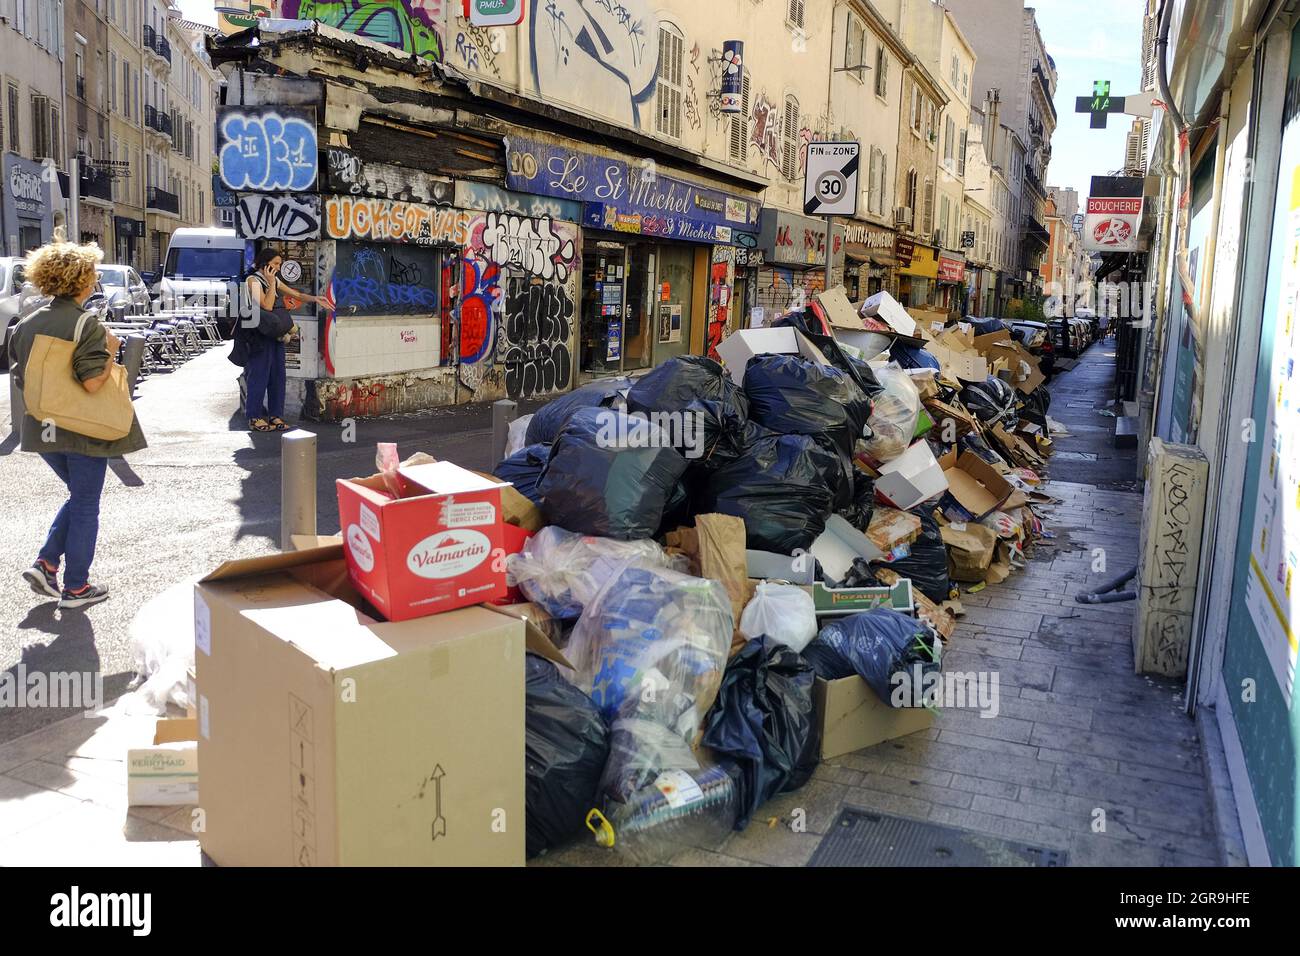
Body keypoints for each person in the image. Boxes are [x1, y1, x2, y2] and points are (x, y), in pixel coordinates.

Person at [7, 239, 147, 609]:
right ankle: (76, 587)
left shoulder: (27, 323)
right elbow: (92, 381)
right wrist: (112, 349)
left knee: (78, 497)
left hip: (42, 427)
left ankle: (47, 563)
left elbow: (21, 378)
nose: (97, 279)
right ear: (81, 280)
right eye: (94, 274)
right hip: (83, 426)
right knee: (86, 503)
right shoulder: (86, 323)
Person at [239, 248, 326, 432]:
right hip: (258, 335)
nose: (278, 267)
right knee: (259, 376)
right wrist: (271, 283)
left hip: (275, 333)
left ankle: (275, 415)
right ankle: (254, 417)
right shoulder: (252, 281)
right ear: (265, 263)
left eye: (279, 264)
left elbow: (297, 295)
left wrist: (316, 299)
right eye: (276, 264)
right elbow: (267, 305)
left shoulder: (275, 280)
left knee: (278, 376)